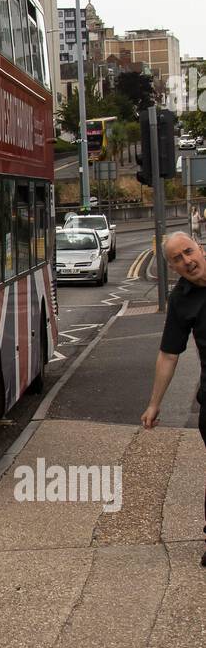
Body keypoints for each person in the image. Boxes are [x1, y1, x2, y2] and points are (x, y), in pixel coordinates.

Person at [141, 231, 206, 565]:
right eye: (178, 259)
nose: (187, 261)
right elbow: (169, 354)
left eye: (189, 252)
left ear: (200, 247)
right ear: (171, 266)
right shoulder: (181, 299)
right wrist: (155, 403)